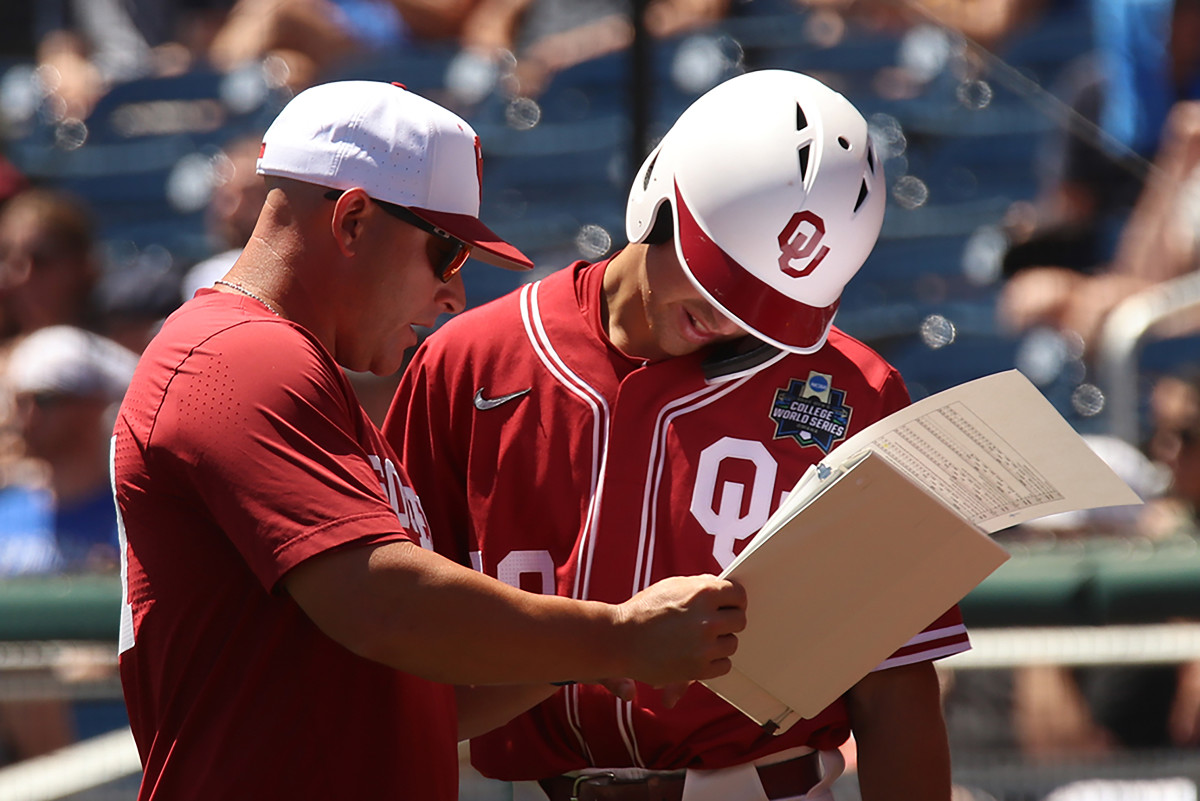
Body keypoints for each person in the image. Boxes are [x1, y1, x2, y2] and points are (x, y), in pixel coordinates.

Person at [110, 78, 747, 801]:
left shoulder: (290, 369)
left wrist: (590, 648)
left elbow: (421, 693)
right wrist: (616, 634)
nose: (453, 296)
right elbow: (383, 603)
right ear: (352, 221)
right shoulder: (238, 356)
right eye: (446, 254)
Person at [386, 69, 969, 801]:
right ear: (659, 192)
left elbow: (896, 685)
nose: (729, 316)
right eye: (718, 276)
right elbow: (393, 630)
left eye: (768, 306)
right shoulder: (469, 359)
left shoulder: (856, 391)